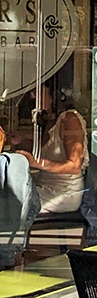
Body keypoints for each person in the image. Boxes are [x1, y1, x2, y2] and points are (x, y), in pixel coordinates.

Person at [1, 86, 89, 215]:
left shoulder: (70, 119)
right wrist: (21, 141)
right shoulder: (50, 120)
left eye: (37, 92)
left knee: (7, 202)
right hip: (43, 186)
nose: (32, 97)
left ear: (55, 95)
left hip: (63, 194)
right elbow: (48, 151)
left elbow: (74, 166)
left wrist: (35, 162)